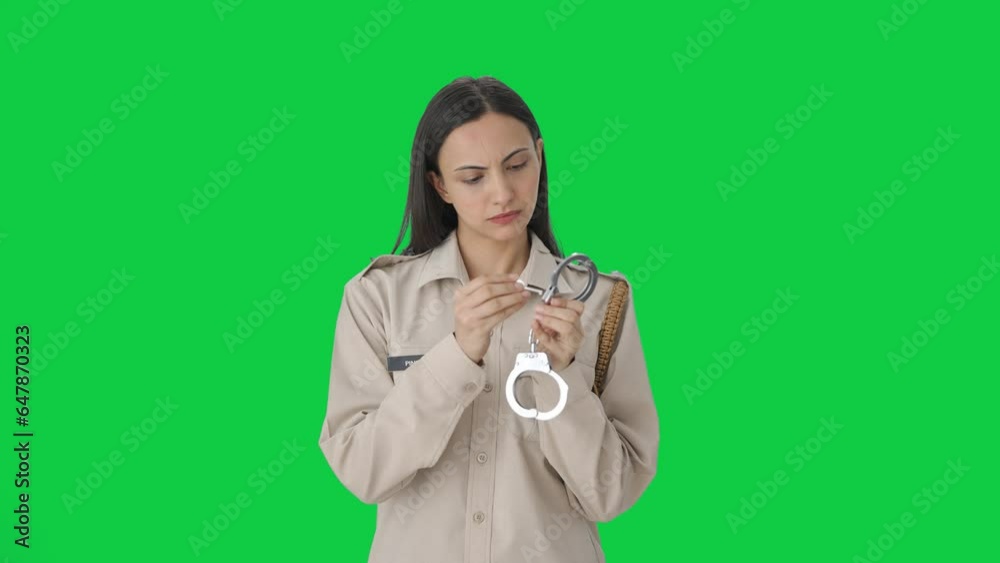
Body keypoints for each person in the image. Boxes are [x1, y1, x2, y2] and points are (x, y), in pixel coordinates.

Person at [318, 76, 659, 563]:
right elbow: (363, 472)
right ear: (439, 185)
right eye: (473, 177)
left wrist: (561, 380)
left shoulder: (601, 304)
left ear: (539, 158)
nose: (502, 193)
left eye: (517, 165)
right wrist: (455, 355)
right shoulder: (377, 298)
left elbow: (612, 494)